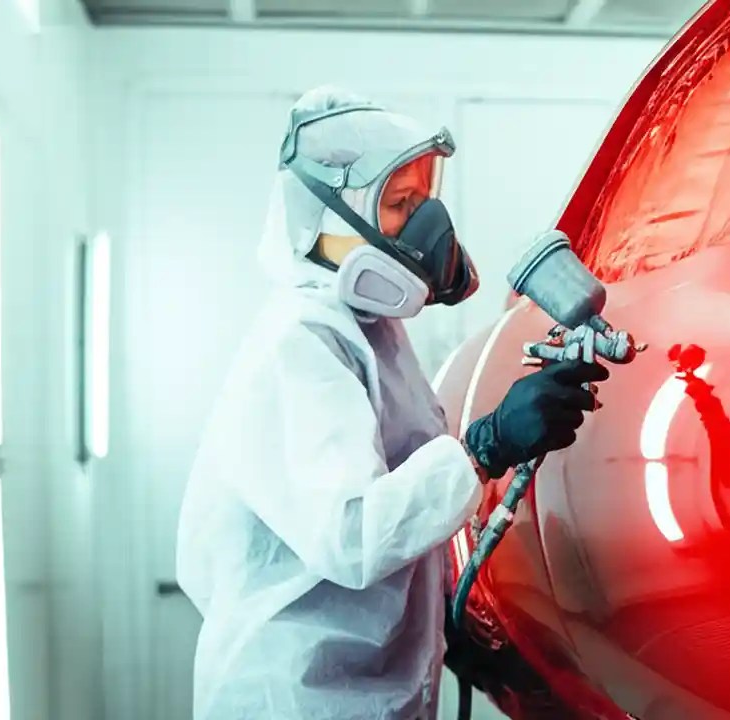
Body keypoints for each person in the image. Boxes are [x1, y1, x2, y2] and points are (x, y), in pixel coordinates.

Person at [175, 86, 607, 720]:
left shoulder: (373, 331)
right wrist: (487, 446)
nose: (428, 225)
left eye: (423, 200)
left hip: (365, 689)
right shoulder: (301, 344)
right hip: (299, 698)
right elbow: (353, 533)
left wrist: (446, 622)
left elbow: (400, 510)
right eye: (401, 204)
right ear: (327, 222)